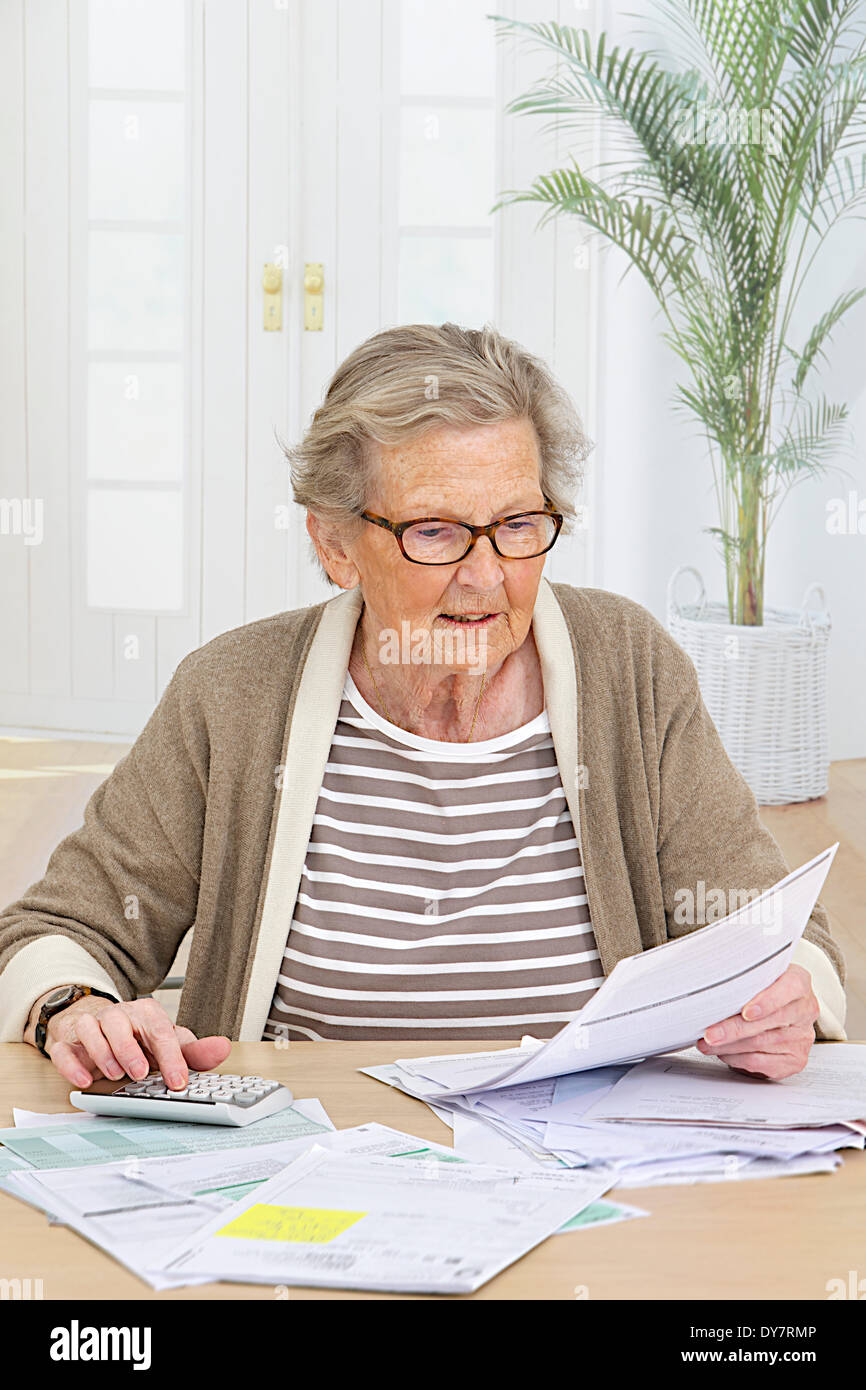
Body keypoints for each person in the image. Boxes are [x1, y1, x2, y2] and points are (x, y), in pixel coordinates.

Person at [0, 322, 846, 1093]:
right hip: (305, 1163)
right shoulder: (232, 692)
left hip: (591, 1167)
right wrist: (74, 1009)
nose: (485, 576)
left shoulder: (630, 665)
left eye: (518, 523)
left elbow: (765, 929)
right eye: (435, 532)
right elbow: (62, 927)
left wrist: (784, 1004)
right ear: (335, 545)